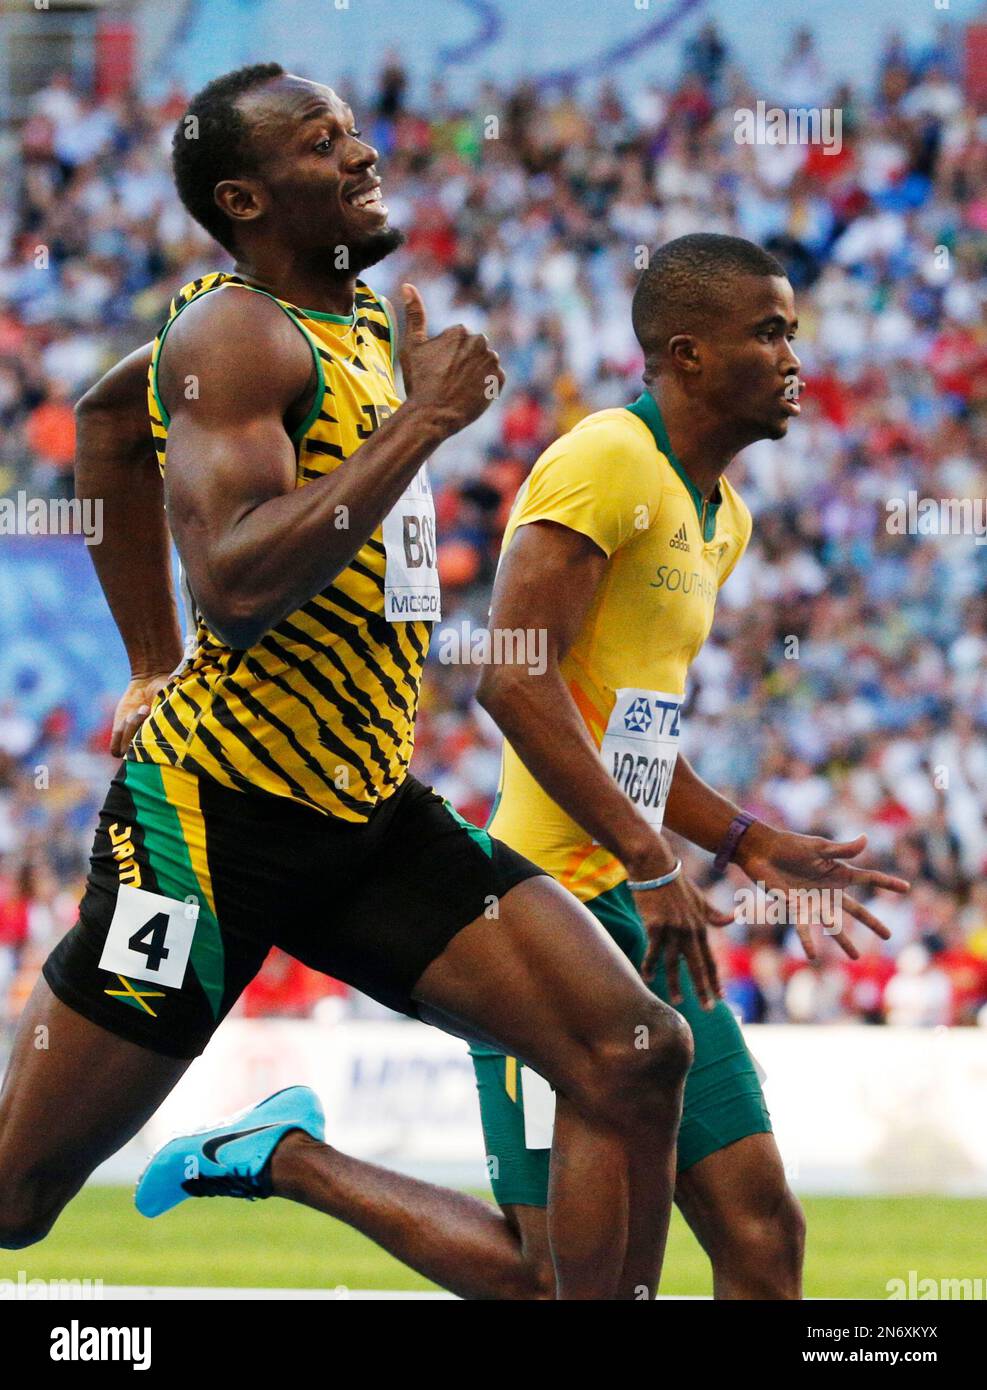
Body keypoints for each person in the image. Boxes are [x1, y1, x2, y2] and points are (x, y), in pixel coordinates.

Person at [0, 65, 704, 1301]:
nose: (365, 153)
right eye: (324, 143)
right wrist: (419, 427)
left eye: (354, 131)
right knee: (15, 1198)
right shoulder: (236, 331)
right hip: (211, 826)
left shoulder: (365, 323)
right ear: (246, 196)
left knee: (636, 1051)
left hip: (365, 815)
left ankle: (294, 1159)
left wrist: (148, 659)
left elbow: (108, 423)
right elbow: (234, 578)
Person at [469, 234, 909, 1298]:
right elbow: (513, 681)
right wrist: (655, 863)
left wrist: (747, 840)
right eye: (769, 331)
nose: (794, 355)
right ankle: (285, 1159)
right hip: (540, 909)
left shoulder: (726, 522)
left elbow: (629, 738)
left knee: (763, 1239)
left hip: (643, 899)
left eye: (793, 331)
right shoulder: (607, 458)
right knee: (568, 1283)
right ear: (689, 354)